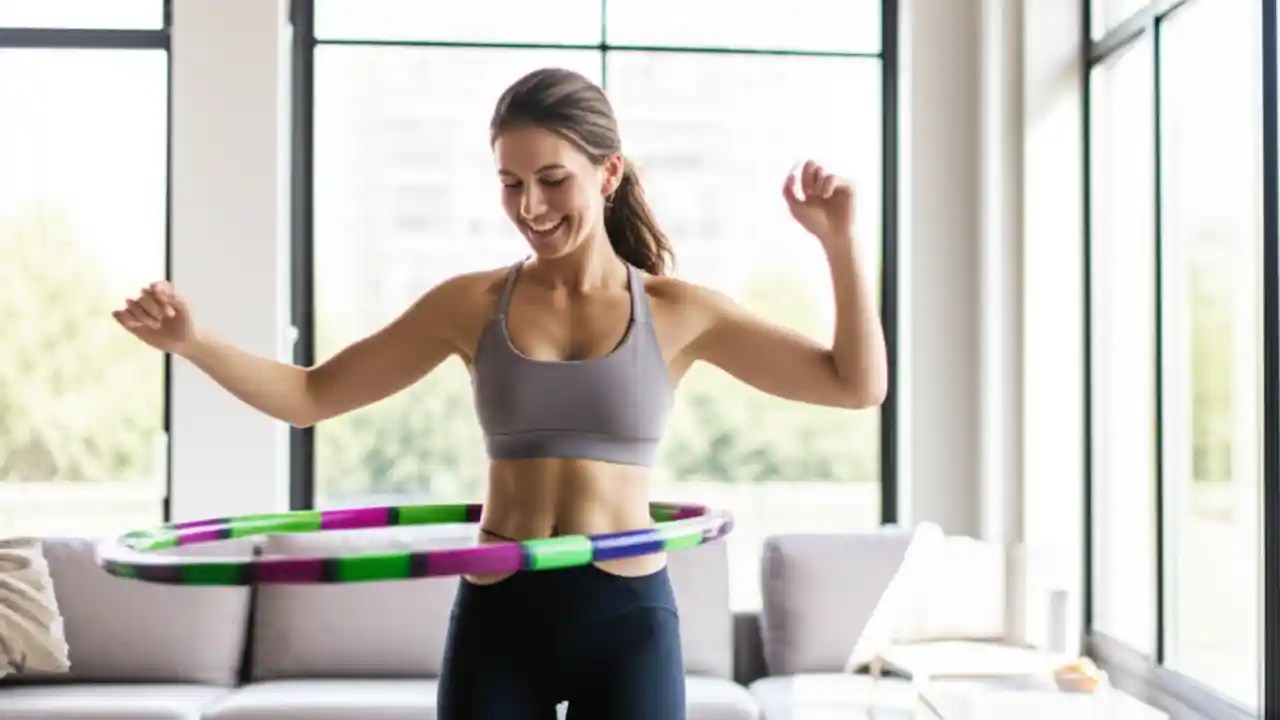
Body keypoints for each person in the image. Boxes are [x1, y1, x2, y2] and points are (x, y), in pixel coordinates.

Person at [112, 67, 888, 720]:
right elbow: (312, 396)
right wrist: (193, 342)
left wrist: (841, 243)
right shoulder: (470, 304)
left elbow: (855, 386)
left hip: (624, 615)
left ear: (608, 173)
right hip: (500, 613)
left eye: (553, 180)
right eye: (510, 184)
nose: (530, 208)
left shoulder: (681, 312)